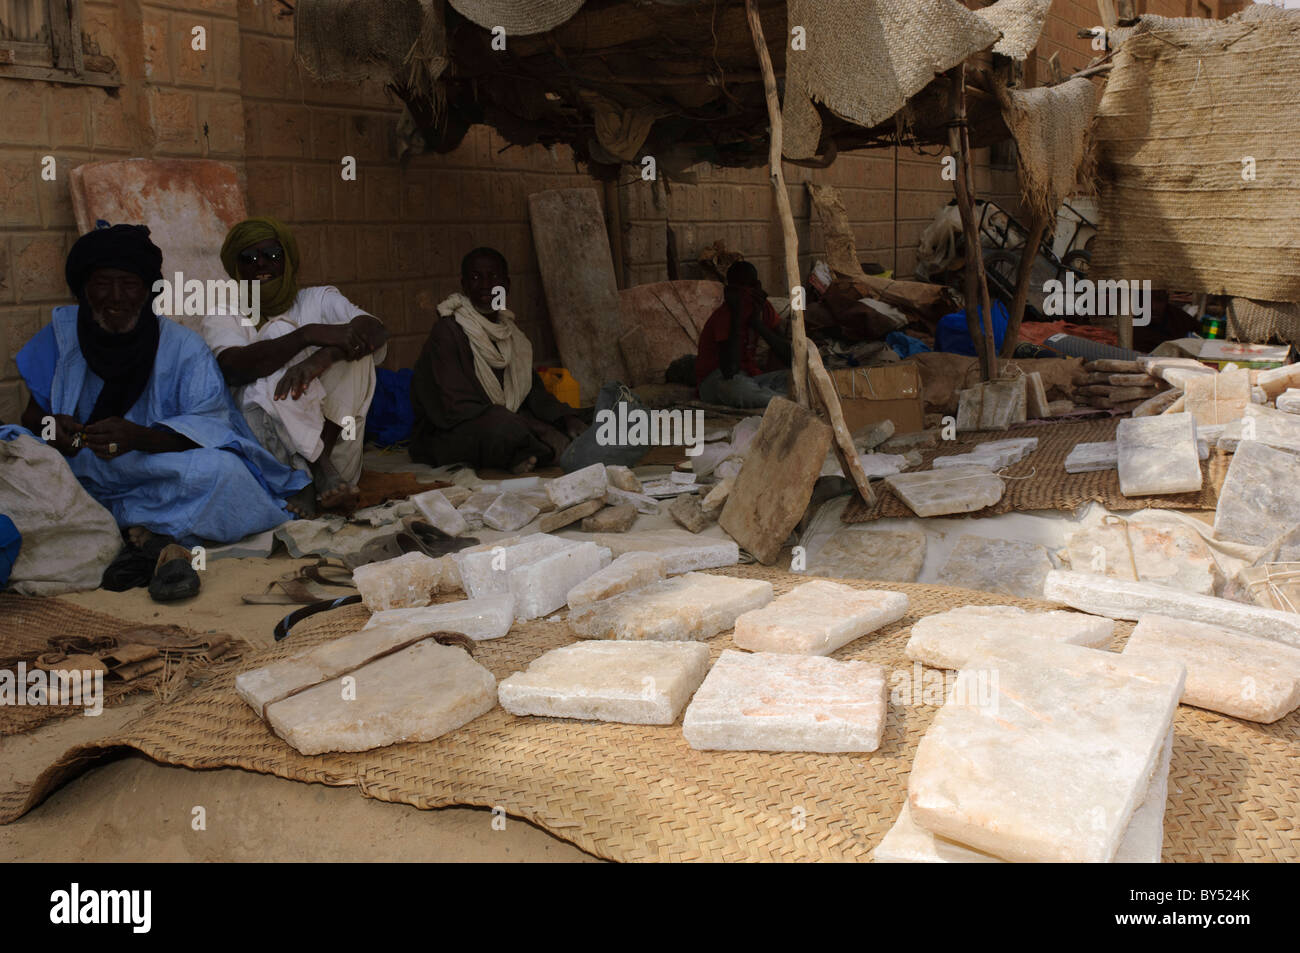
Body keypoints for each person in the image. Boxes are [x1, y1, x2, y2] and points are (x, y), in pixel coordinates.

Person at [15, 224, 309, 568]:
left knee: (222, 472)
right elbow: (31, 420)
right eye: (102, 284)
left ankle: (123, 526)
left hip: (154, 465)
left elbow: (212, 429)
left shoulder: (184, 347)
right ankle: (155, 527)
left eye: (128, 285)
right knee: (18, 463)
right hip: (82, 466)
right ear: (83, 290)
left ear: (147, 291)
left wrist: (138, 437)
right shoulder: (59, 337)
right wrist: (53, 428)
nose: (115, 297)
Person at [203, 217, 389, 514]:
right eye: (249, 259)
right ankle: (309, 472)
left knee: (357, 354)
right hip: (272, 458)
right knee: (273, 342)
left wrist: (322, 358)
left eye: (272, 256)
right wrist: (305, 335)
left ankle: (314, 470)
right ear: (237, 269)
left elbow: (375, 331)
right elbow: (232, 368)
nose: (261, 265)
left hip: (339, 466)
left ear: (287, 259)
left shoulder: (317, 298)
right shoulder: (225, 313)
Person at [410, 248, 584, 473]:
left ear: (507, 286)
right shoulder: (447, 332)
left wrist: (566, 418)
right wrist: (537, 428)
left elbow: (533, 393)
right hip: (450, 432)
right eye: (475, 278)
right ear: (464, 286)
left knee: (579, 415)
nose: (486, 285)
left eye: (494, 277)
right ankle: (542, 452)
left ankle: (526, 452)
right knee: (502, 427)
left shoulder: (510, 333)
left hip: (509, 419)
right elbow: (457, 408)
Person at [696, 260, 792, 408]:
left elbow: (789, 357)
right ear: (730, 292)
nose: (744, 294)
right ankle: (784, 401)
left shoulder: (763, 309)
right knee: (737, 389)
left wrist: (757, 324)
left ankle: (774, 398)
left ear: (757, 286)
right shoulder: (725, 315)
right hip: (717, 381)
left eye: (749, 287)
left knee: (795, 378)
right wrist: (736, 314)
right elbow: (730, 370)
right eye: (738, 290)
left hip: (750, 377)